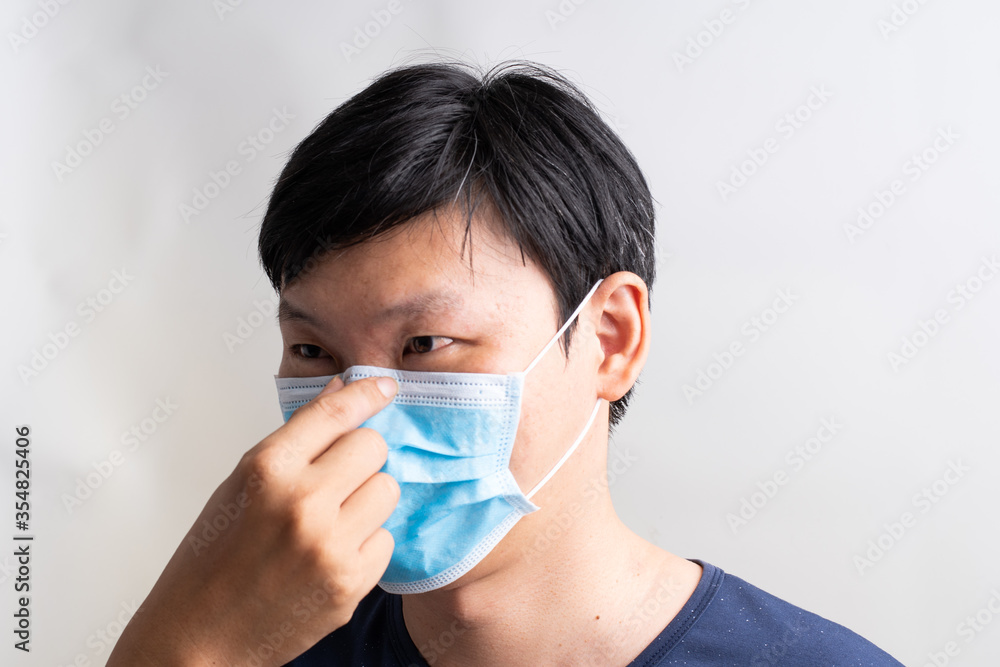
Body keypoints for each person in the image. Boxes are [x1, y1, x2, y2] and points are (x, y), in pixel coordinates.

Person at [109, 61, 903, 666]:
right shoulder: (259, 642)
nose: (360, 407)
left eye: (426, 344)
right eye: (313, 350)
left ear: (611, 338)